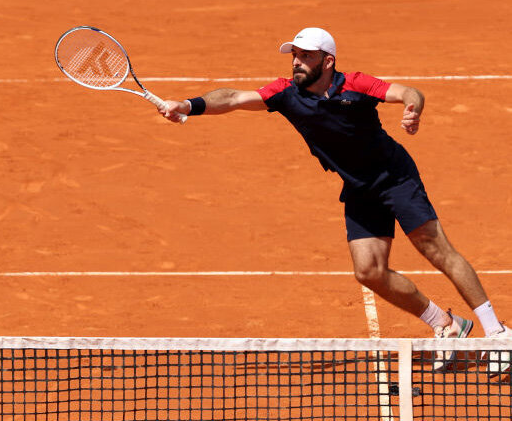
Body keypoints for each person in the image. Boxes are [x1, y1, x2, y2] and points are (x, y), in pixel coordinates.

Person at [158, 27, 511, 374]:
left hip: (395, 177)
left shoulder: (356, 84)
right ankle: (446, 324)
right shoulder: (285, 93)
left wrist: (412, 109)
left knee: (436, 250)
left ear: (327, 62)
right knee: (369, 271)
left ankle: (497, 334)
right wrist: (189, 105)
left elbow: (408, 91)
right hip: (359, 187)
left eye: (305, 56)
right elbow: (233, 98)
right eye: (293, 55)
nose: (296, 62)